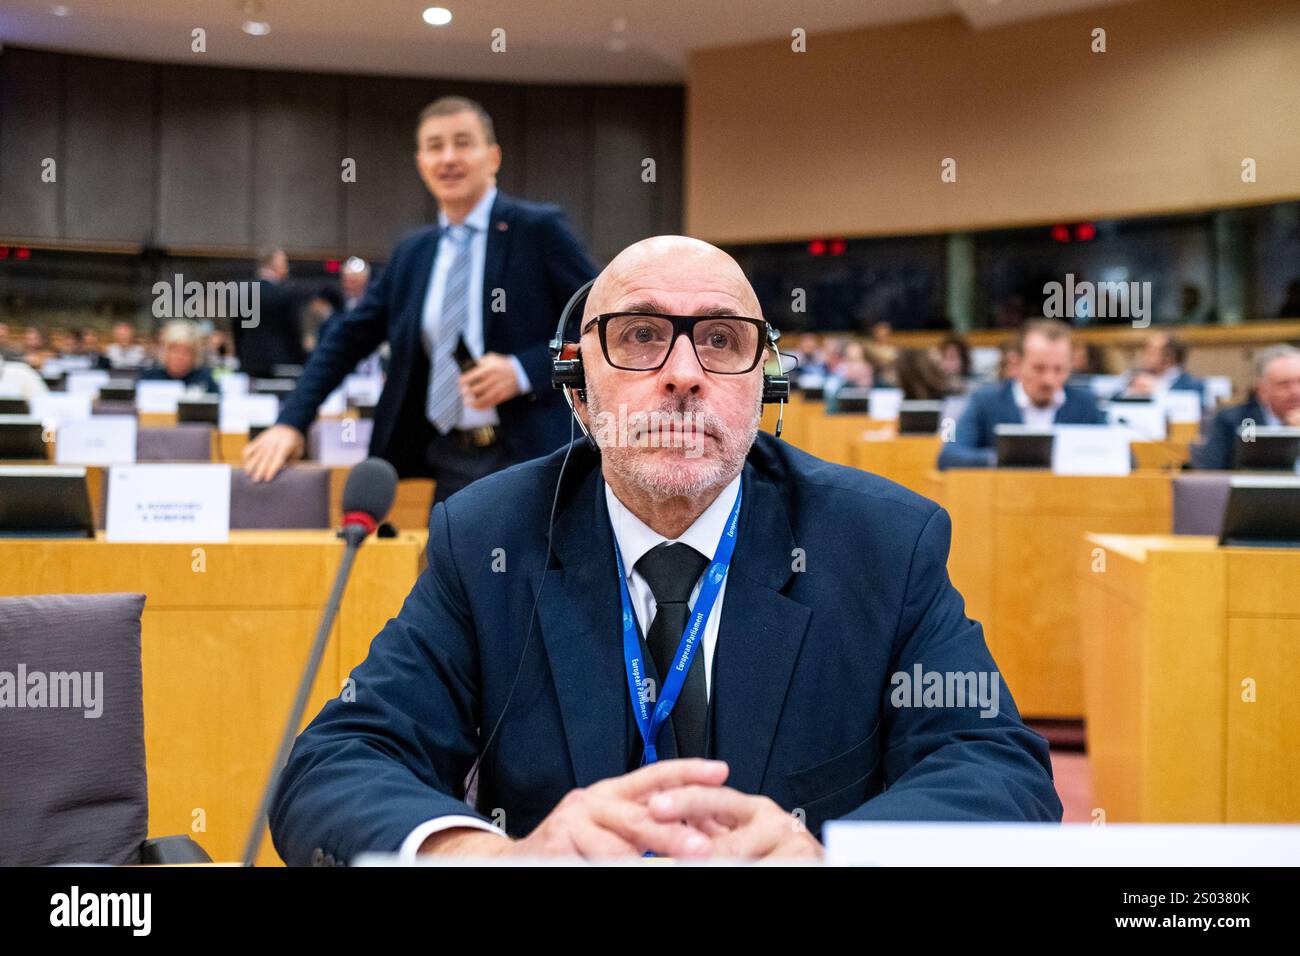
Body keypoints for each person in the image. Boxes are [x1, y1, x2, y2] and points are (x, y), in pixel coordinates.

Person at [268, 235, 1061, 866]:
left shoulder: (882, 543)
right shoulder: (487, 538)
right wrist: (483, 855)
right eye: (642, 336)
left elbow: (1000, 770)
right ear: (578, 393)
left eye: (720, 341)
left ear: (764, 390)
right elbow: (337, 762)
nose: (683, 374)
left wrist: (834, 860)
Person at [242, 96, 597, 500]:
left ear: (493, 157)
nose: (448, 157)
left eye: (463, 143)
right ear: (421, 163)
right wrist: (291, 422)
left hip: (533, 454)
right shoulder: (414, 253)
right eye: (434, 146)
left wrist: (522, 370)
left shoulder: (538, 230)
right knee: (442, 562)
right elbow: (345, 340)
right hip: (446, 457)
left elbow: (600, 323)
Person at [937, 318, 1107, 469]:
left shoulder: (1086, 403)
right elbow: (949, 456)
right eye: (1039, 368)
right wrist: (1007, 460)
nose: (1049, 380)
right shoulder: (985, 401)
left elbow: (1124, 457)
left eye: (1059, 369)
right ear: (1016, 363)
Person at [1193, 345, 1300, 469]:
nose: (1296, 392)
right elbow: (1211, 474)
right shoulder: (1233, 421)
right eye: (1283, 384)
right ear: (1262, 392)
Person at [232, 247, 306, 379]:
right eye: (284, 262)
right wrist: (302, 360)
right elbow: (293, 332)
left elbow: (237, 330)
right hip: (280, 362)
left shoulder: (243, 292)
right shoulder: (285, 294)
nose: (287, 267)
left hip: (249, 360)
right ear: (275, 264)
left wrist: (241, 355)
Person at [138, 320, 218, 393]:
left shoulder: (205, 379)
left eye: (186, 352)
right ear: (165, 352)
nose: (179, 357)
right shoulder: (149, 378)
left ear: (194, 356)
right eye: (174, 351)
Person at [1118, 331, 1203, 401]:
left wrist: (1157, 390)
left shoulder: (1191, 384)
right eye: (1145, 350)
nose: (1145, 356)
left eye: (1152, 351)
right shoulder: (1134, 378)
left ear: (1170, 356)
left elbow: (1191, 409)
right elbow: (1111, 400)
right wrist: (1129, 392)